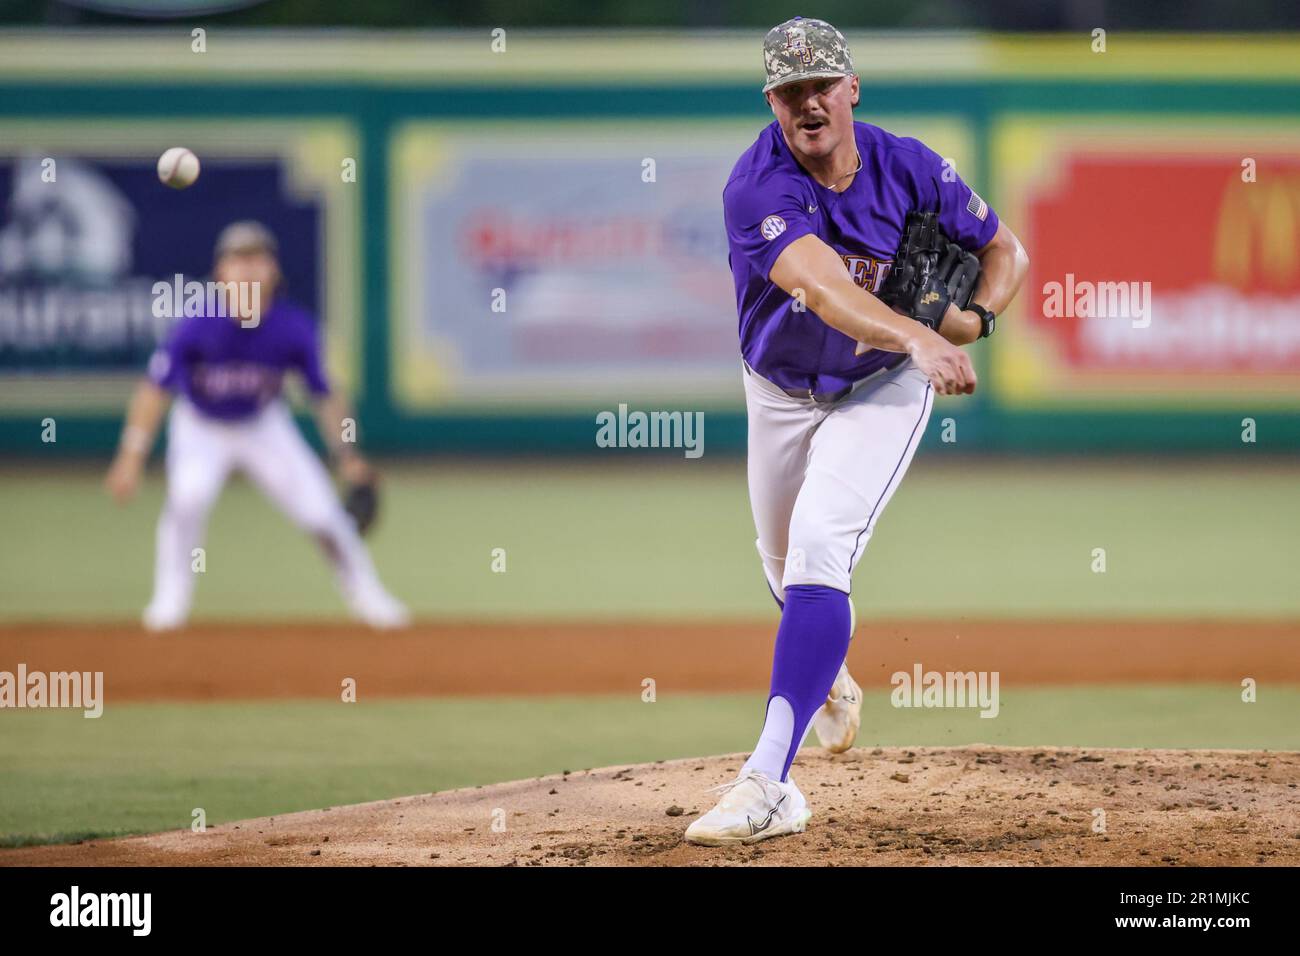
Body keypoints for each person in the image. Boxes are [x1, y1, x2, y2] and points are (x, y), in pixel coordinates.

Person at [685, 18, 1028, 845]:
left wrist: (974, 320)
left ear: (852, 87)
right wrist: (917, 330)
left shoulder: (909, 166)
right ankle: (825, 676)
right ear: (772, 101)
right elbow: (826, 290)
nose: (808, 101)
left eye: (821, 83)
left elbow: (1005, 250)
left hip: (879, 388)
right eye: (789, 89)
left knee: (818, 549)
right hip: (778, 390)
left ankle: (768, 782)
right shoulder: (755, 188)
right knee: (784, 574)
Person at [105, 221, 409, 631]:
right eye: (238, 259)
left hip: (263, 425)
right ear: (220, 273)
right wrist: (131, 455)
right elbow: (153, 391)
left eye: (257, 259)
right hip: (201, 427)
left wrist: (349, 455)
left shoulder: (293, 328)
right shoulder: (197, 324)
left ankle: (368, 596)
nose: (248, 269)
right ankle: (170, 601)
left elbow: (326, 396)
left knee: (322, 513)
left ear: (274, 271)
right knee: (187, 500)